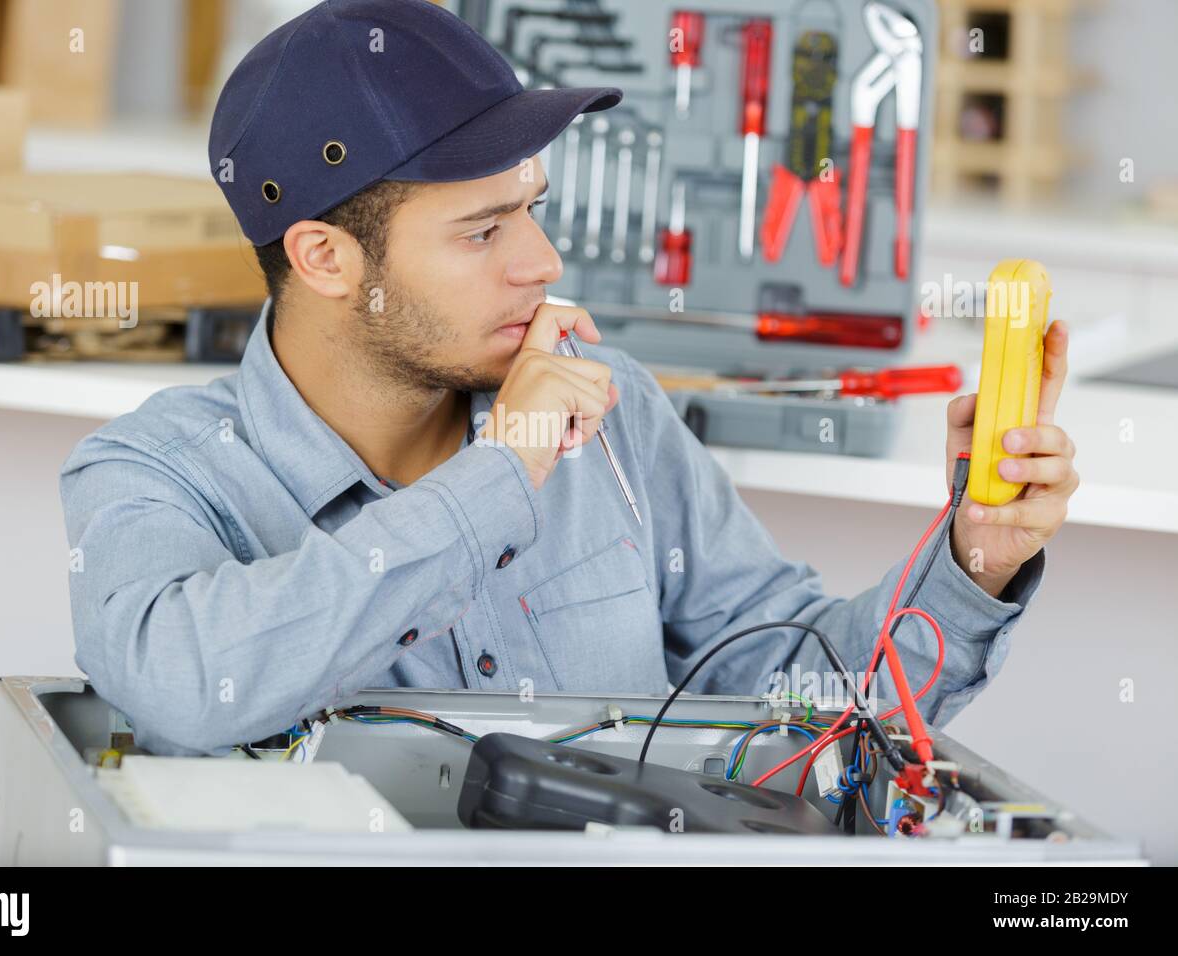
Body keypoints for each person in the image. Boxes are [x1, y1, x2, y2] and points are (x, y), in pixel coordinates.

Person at [59, 0, 1078, 756]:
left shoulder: (609, 408)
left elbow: (792, 693)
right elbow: (188, 686)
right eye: (483, 229)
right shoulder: (154, 473)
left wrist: (970, 562)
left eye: (532, 207)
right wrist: (505, 472)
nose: (541, 262)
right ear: (326, 259)